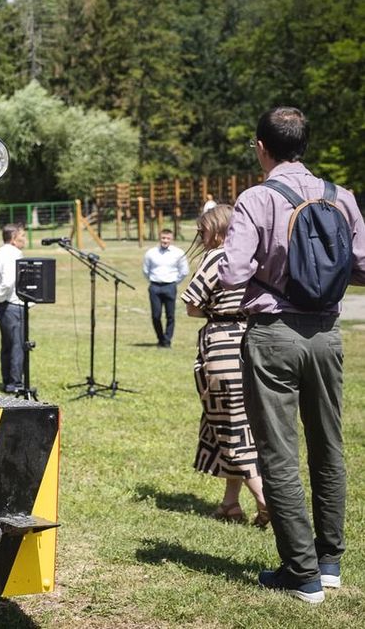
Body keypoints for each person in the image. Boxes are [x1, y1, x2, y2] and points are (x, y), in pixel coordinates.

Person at [219, 106, 365, 603]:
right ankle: (328, 563)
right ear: (305, 144)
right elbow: (362, 265)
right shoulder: (340, 197)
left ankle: (300, 572)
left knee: (279, 453)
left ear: (261, 147)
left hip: (272, 333)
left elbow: (232, 274)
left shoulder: (256, 199)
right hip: (326, 333)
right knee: (329, 446)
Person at [181, 204, 267, 526]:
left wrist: (218, 314)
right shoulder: (254, 256)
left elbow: (191, 305)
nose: (200, 236)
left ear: (218, 230)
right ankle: (230, 504)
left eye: (203, 230)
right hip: (251, 341)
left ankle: (265, 499)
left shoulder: (217, 257)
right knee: (237, 422)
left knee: (228, 425)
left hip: (221, 345)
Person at [0, 223, 27, 393]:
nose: (24, 239)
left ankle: (7, 381)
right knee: (17, 345)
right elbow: (9, 281)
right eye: (22, 236)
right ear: (13, 238)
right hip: (13, 305)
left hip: (2, 308)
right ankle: (15, 384)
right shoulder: (14, 254)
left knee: (7, 345)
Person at [142, 228, 189, 347]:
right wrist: (153, 281)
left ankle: (167, 340)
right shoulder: (151, 253)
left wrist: (174, 282)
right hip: (155, 286)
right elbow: (145, 270)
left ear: (172, 239)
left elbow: (184, 271)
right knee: (156, 315)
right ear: (159, 238)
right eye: (163, 238)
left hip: (170, 286)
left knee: (170, 315)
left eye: (168, 238)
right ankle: (160, 338)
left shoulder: (178, 253)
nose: (165, 240)